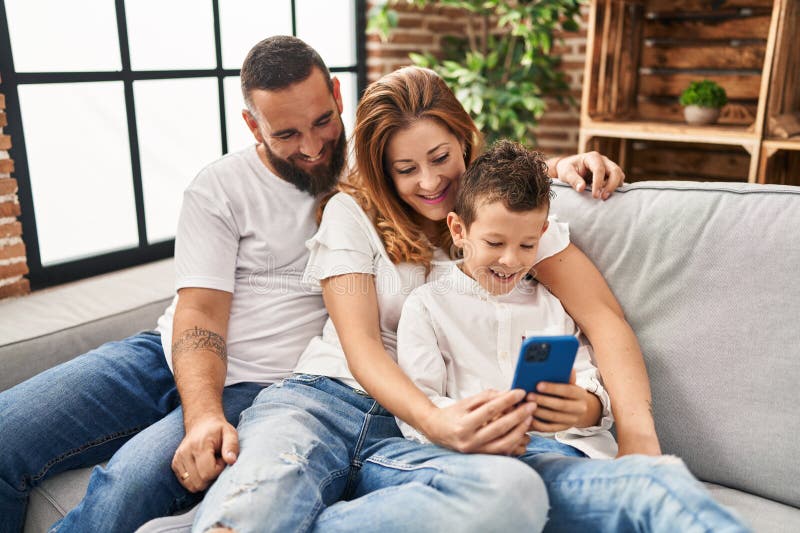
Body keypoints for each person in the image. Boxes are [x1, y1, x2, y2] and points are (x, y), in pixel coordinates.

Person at [0, 38, 621, 533]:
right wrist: (203, 415)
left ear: (337, 96)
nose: (312, 146)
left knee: (130, 483)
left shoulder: (374, 166)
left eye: (323, 123)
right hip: (179, 357)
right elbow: (201, 315)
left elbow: (471, 172)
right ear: (251, 124)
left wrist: (558, 168)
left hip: (268, 384)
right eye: (286, 134)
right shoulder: (226, 188)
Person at [191, 66, 661, 531]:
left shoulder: (506, 224)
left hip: (415, 436)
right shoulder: (351, 214)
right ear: (383, 171)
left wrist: (637, 438)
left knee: (511, 494)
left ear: (464, 141)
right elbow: (362, 351)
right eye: (406, 169)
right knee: (249, 512)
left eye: (440, 158)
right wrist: (436, 420)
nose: (431, 182)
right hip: (325, 400)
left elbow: (603, 320)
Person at [395, 139, 749, 531]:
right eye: (494, 243)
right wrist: (474, 421)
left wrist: (586, 407)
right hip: (492, 466)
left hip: (572, 456)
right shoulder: (427, 306)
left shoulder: (551, 305)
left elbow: (590, 387)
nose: (511, 260)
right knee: (655, 485)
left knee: (655, 485)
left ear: (543, 233)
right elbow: (418, 412)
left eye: (527, 244)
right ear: (458, 229)